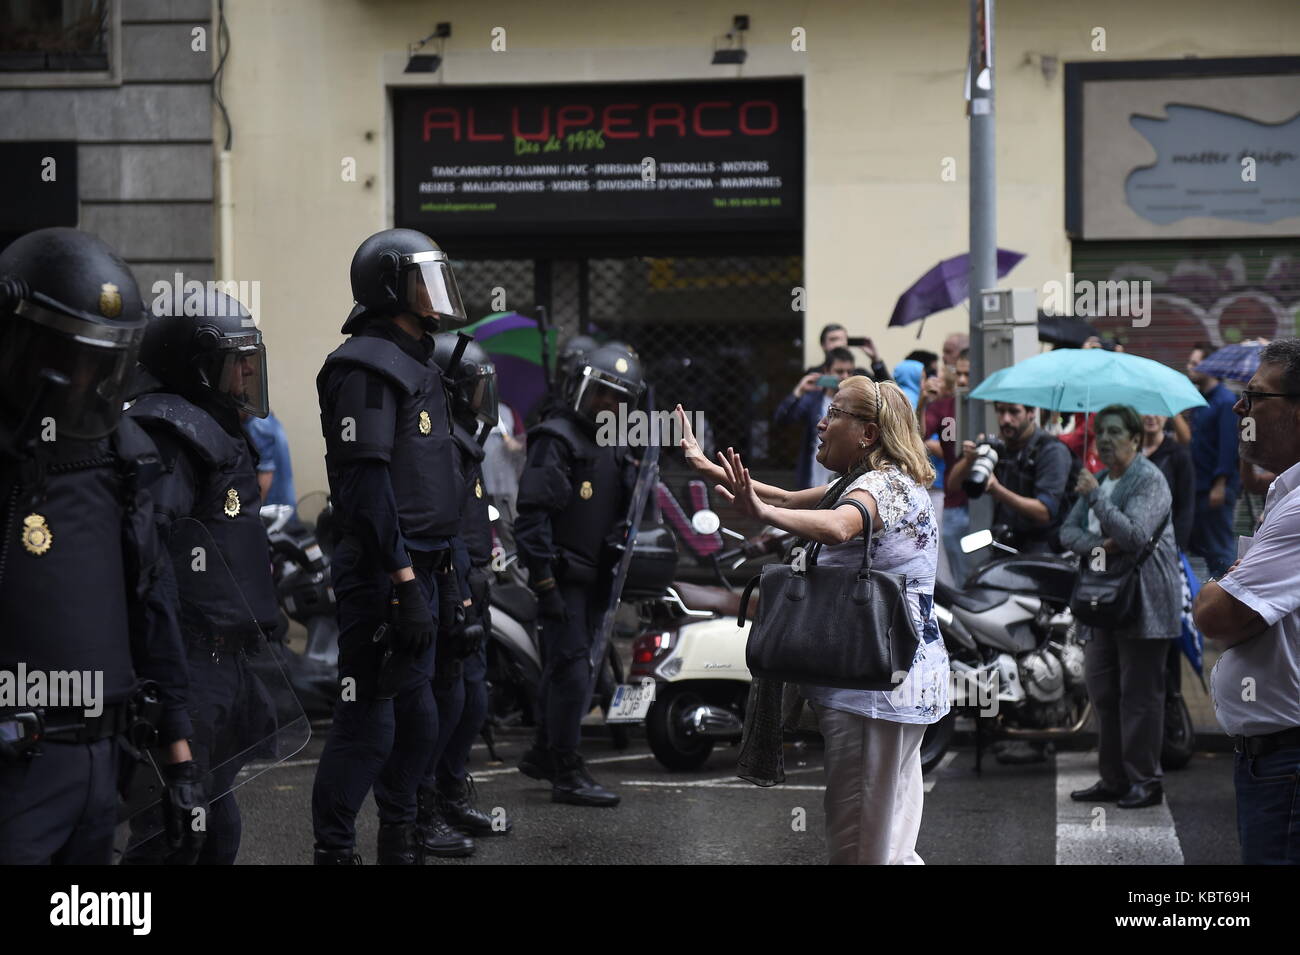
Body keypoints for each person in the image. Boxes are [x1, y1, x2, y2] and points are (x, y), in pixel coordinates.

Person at [677, 377, 947, 864]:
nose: (821, 424)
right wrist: (708, 467)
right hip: (898, 682)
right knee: (890, 840)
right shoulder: (870, 481)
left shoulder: (878, 486)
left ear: (867, 433)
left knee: (860, 843)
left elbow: (839, 524)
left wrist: (758, 509)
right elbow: (783, 497)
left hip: (873, 694)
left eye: (835, 413)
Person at [0, 227, 203, 864]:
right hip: (18, 768)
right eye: (73, 356)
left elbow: (151, 604)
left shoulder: (122, 454)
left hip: (104, 765)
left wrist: (180, 758)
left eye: (104, 360)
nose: (88, 378)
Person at [311, 228, 471, 865]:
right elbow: (367, 485)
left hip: (427, 570)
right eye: (421, 281)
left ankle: (400, 845)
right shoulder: (365, 366)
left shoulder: (421, 362)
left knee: (421, 725)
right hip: (383, 576)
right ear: (388, 290)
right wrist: (404, 581)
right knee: (367, 726)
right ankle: (335, 850)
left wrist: (444, 580)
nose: (436, 294)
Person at [124, 288, 283, 865]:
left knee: (217, 824)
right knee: (175, 831)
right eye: (233, 359)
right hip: (188, 662)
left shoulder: (216, 428)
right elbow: (149, 558)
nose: (246, 370)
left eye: (250, 358)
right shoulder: (173, 434)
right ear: (193, 369)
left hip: (225, 659)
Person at [514, 342, 643, 806]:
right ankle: (565, 770)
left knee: (568, 670)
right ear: (581, 389)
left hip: (595, 579)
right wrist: (545, 583)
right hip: (563, 579)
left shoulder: (614, 443)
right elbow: (531, 518)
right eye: (601, 394)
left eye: (618, 399)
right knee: (571, 673)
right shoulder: (557, 437)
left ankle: (545, 752)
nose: (608, 404)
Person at [1194, 338, 1300, 864]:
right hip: (1275, 761)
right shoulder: (1286, 493)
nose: (1240, 408)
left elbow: (1216, 616)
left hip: (1288, 765)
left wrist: (1223, 586)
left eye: (1255, 397)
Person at [416, 333, 511, 856]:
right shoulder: (442, 444)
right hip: (451, 587)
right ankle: (422, 805)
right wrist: (457, 595)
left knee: (473, 699)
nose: (482, 398)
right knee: (442, 703)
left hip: (474, 583)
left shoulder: (465, 440)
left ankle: (452, 789)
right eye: (474, 388)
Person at [1060, 404, 1182, 809]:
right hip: (1102, 601)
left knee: (1140, 695)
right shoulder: (1100, 478)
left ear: (1134, 438)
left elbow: (1133, 536)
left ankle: (1145, 780)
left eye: (1115, 432)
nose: (1106, 440)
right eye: (1100, 434)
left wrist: (1096, 500)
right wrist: (1099, 545)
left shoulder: (1149, 481)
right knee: (1104, 690)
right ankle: (1112, 778)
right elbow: (1067, 532)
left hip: (1144, 600)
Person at [949, 402, 1073, 554]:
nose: (1006, 419)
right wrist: (969, 460)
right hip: (1004, 544)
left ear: (1031, 413)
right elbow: (953, 484)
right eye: (1001, 411)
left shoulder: (1052, 451)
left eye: (1014, 412)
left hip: (1043, 550)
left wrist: (997, 490)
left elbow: (1044, 512)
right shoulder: (995, 445)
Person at [1187, 343, 1242, 578]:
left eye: (1195, 363)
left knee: (1220, 548)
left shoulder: (1224, 400)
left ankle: (1228, 596)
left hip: (1215, 488)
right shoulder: (1200, 401)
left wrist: (1220, 484)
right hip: (1199, 487)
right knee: (1206, 548)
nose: (1189, 368)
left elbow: (1228, 446)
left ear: (1211, 366)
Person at [920, 350, 972, 583]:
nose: (962, 380)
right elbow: (919, 434)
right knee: (958, 580)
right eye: (958, 374)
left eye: (968, 374)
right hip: (954, 503)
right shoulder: (945, 407)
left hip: (989, 503)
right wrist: (923, 401)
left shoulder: (996, 406)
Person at [775, 346, 855, 489]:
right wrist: (798, 392)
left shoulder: (855, 402)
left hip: (844, 480)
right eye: (839, 371)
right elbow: (782, 419)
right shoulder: (814, 399)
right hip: (814, 477)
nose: (845, 376)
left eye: (849, 372)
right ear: (826, 371)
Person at [245, 409, 297, 512]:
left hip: (273, 511)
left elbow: (266, 473)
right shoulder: (265, 419)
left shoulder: (257, 425)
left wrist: (253, 512)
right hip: (283, 509)